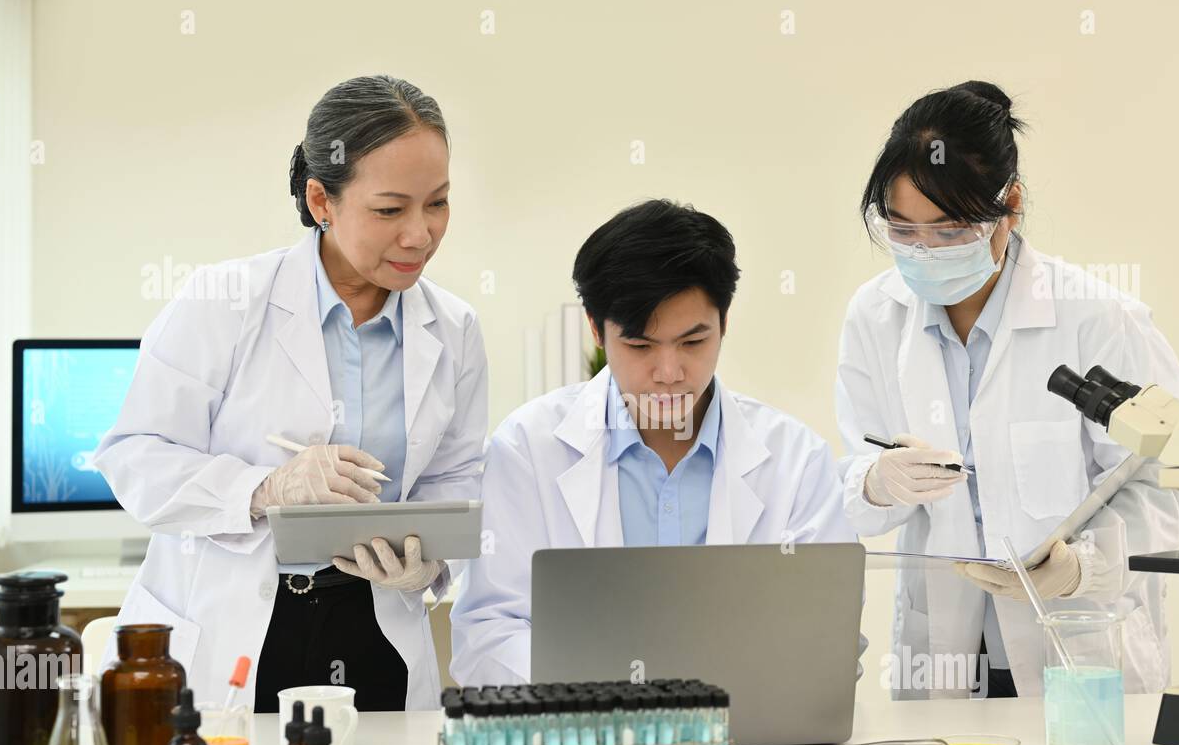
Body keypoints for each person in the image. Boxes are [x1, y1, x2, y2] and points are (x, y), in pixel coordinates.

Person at [94, 75, 487, 711]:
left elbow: (457, 476)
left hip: (376, 626)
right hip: (239, 625)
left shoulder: (455, 329)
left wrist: (429, 567)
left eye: (437, 203)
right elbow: (134, 455)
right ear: (321, 199)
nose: (420, 234)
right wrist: (265, 490)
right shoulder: (223, 301)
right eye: (390, 209)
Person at [836, 81, 1179, 700]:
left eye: (950, 232)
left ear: (1012, 205)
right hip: (942, 649)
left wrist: (1086, 565)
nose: (925, 252)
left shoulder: (1100, 318)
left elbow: (1169, 486)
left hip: (1076, 638)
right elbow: (857, 484)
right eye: (903, 230)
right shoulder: (874, 317)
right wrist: (875, 481)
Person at [451, 199, 863, 685]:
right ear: (596, 330)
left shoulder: (796, 461)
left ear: (724, 323)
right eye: (641, 346)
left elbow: (827, 638)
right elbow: (490, 631)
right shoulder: (527, 449)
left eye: (693, 343)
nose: (669, 374)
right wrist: (597, 698)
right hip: (583, 740)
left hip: (748, 744)